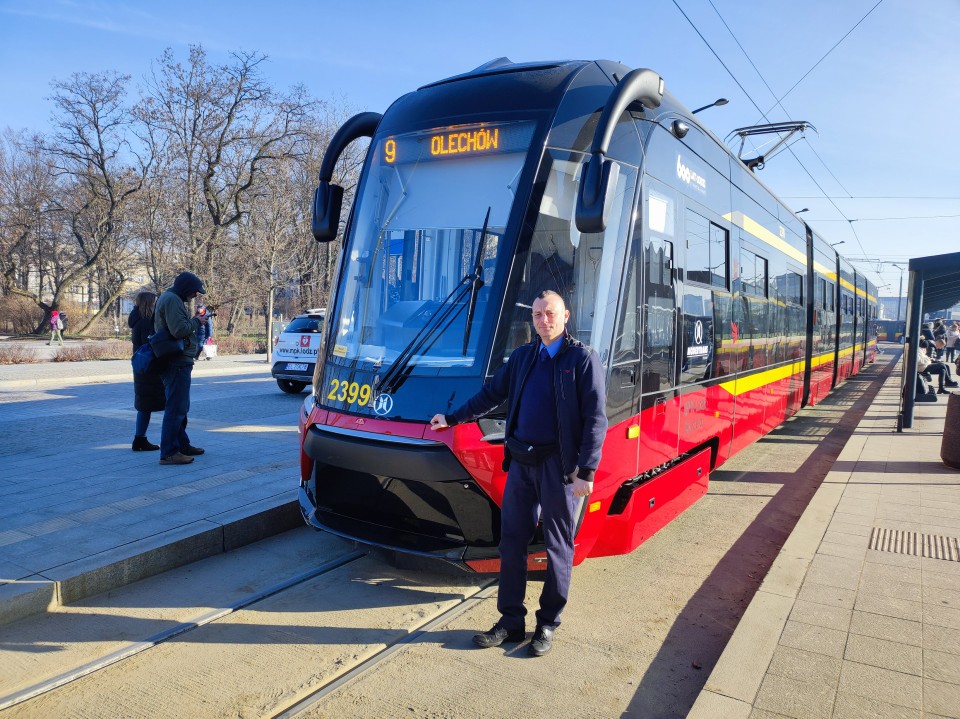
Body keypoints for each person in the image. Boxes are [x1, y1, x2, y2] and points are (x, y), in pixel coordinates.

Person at [429, 290, 607, 657]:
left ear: (566, 316)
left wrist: (586, 470)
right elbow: (490, 395)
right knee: (512, 544)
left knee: (559, 547)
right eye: (538, 314)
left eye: (551, 313)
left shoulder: (582, 359)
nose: (544, 319)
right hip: (522, 464)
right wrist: (452, 418)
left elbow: (595, 420)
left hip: (560, 469)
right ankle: (510, 621)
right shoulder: (524, 356)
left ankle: (547, 624)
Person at [154, 271, 209, 465]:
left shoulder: (172, 298)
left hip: (177, 360)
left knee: (180, 407)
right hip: (176, 361)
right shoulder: (172, 300)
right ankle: (169, 452)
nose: (195, 295)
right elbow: (178, 330)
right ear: (186, 288)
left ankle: (181, 445)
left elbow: (176, 325)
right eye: (194, 291)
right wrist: (197, 321)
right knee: (176, 408)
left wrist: (192, 320)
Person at [128, 292, 164, 451]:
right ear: (150, 303)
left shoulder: (136, 320)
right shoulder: (147, 323)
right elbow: (153, 344)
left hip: (141, 366)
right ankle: (175, 439)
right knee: (170, 404)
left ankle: (140, 438)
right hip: (152, 367)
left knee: (144, 405)